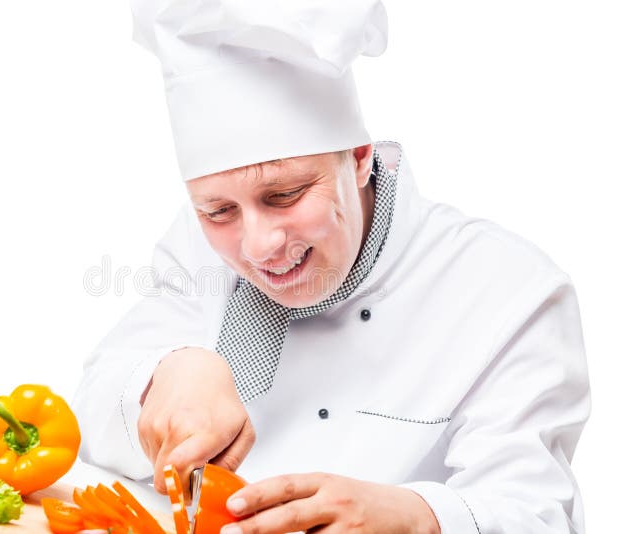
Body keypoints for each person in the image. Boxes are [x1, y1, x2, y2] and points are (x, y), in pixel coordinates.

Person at [73, 1, 590, 532]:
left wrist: (420, 516)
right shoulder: (197, 244)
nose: (257, 245)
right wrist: (166, 374)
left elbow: (538, 512)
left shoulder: (511, 289)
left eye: (286, 194)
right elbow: (92, 409)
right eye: (219, 210)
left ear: (360, 156)